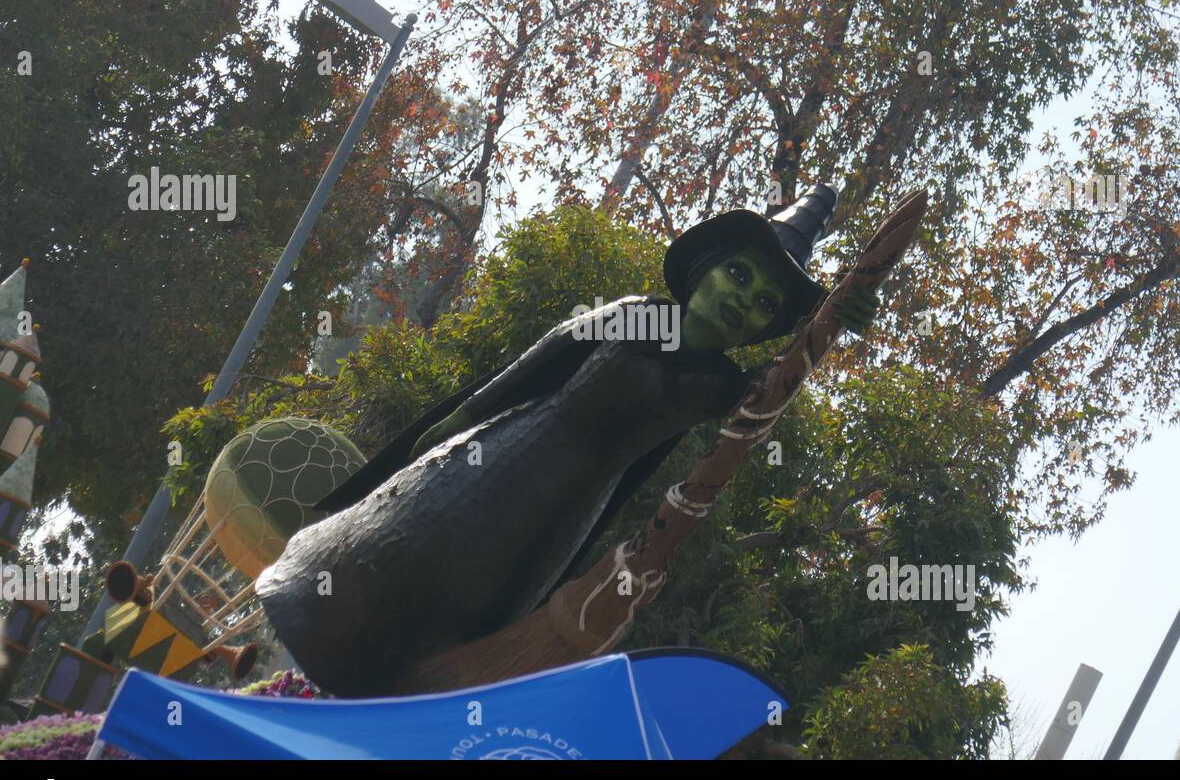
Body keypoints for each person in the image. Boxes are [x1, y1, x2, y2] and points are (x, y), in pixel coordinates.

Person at [256, 183, 880, 696]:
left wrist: (840, 316)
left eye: (765, 302)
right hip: (492, 463)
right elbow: (542, 359)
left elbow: (780, 383)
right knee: (395, 557)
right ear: (706, 269)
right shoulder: (638, 314)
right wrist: (452, 426)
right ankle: (297, 671)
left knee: (470, 608)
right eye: (738, 276)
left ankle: (375, 701)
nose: (744, 301)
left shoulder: (722, 386)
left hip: (559, 517)